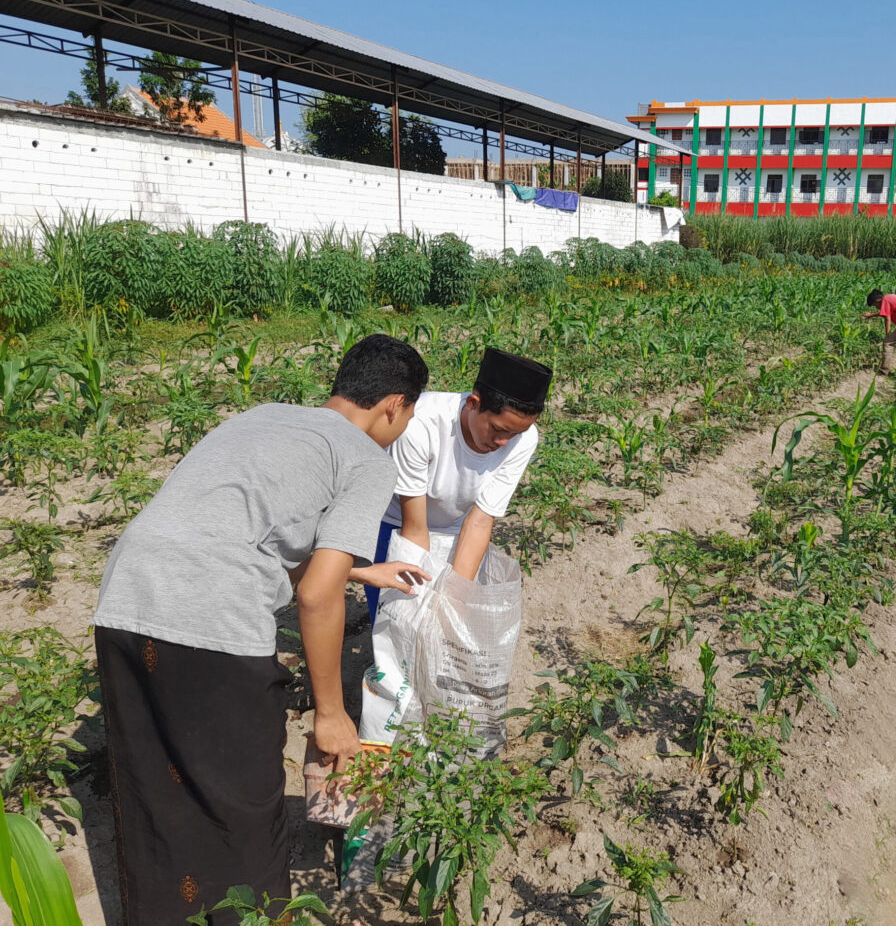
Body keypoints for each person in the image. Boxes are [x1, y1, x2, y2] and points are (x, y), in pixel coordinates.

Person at [92, 334, 429, 925]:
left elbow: (260, 527)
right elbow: (316, 594)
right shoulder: (365, 460)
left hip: (124, 597)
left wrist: (362, 568)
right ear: (395, 405)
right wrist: (331, 713)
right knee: (246, 804)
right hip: (212, 616)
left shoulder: (264, 417)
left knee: (153, 786)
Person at [364, 346, 552, 620]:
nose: (503, 443)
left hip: (455, 528)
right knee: (396, 617)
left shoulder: (523, 438)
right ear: (473, 403)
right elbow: (414, 528)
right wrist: (417, 601)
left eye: (515, 434)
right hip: (396, 523)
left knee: (450, 612)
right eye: (498, 430)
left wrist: (455, 597)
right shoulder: (420, 423)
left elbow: (479, 521)